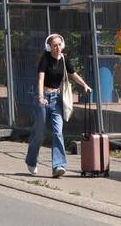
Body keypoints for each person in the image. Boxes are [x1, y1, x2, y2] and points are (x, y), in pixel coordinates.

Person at [26, 32, 91, 178]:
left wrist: (85, 85)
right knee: (40, 133)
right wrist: (41, 96)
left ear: (63, 45)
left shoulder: (64, 59)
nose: (57, 48)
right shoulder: (45, 59)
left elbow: (73, 74)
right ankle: (31, 161)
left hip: (56, 100)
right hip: (42, 99)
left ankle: (59, 166)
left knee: (58, 132)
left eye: (59, 45)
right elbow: (40, 79)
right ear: (49, 47)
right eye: (54, 45)